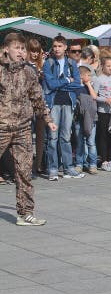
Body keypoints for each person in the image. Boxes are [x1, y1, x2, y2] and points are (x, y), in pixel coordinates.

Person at [1, 33, 57, 225]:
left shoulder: (29, 71)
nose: (21, 52)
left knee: (24, 172)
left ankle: (25, 213)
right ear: (6, 49)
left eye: (23, 48)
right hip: (1, 127)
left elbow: (37, 98)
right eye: (17, 48)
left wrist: (47, 119)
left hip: (23, 127)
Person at [42, 36, 85, 180]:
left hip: (68, 101)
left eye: (60, 46)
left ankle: (68, 168)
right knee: (52, 137)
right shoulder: (48, 63)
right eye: (54, 46)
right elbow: (50, 84)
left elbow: (78, 84)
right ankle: (53, 168)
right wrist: (67, 80)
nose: (57, 49)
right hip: (53, 102)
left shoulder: (72, 63)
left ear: (65, 47)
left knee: (66, 137)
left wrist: (61, 83)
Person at [92, 57, 111, 172]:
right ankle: (104, 160)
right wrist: (105, 100)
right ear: (102, 66)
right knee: (103, 135)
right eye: (108, 66)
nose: (110, 68)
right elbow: (94, 95)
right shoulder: (98, 79)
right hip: (103, 111)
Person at [25, 38, 48, 176]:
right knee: (27, 138)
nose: (34, 54)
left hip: (40, 104)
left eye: (37, 51)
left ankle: (37, 166)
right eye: (32, 51)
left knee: (40, 138)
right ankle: (27, 168)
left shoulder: (41, 65)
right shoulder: (24, 65)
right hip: (28, 105)